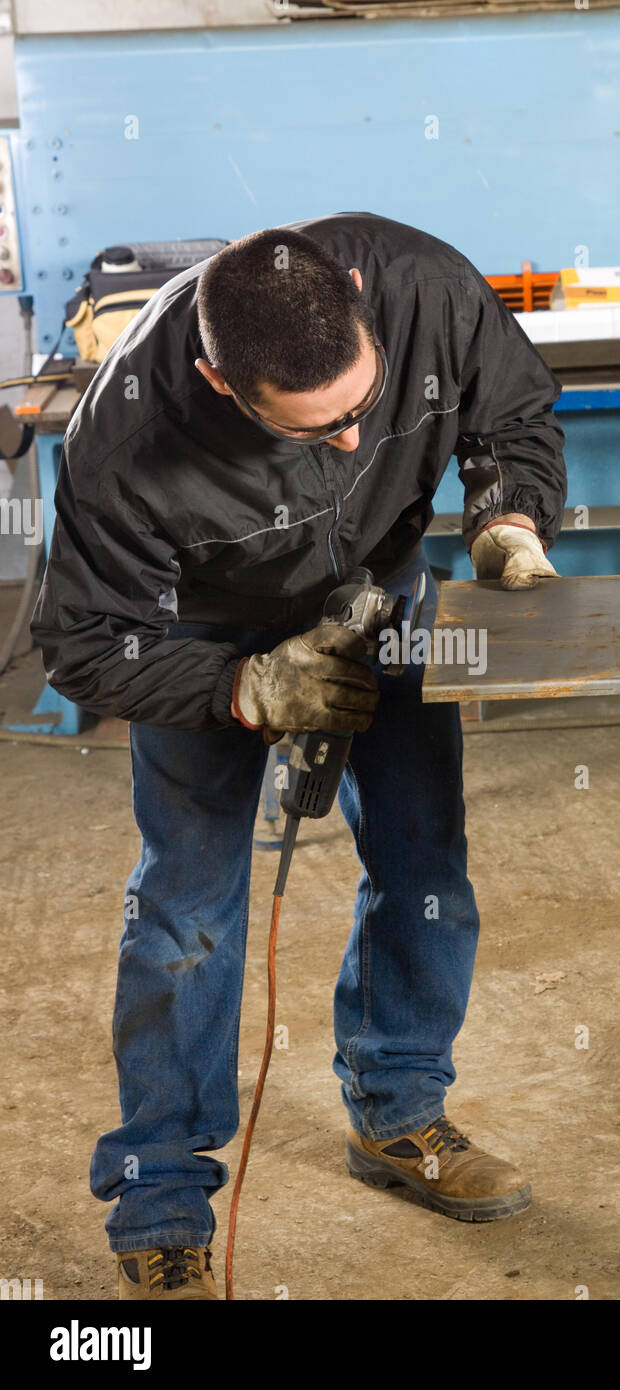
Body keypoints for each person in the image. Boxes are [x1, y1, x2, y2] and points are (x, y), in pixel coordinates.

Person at [31, 212, 567, 1300]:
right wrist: (241, 687)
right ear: (219, 384)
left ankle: (399, 1116)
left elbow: (508, 415)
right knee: (186, 910)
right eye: (307, 430)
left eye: (361, 412)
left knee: (424, 869)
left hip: (385, 589)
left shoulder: (425, 285)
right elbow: (80, 642)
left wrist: (507, 520)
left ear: (362, 296)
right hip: (200, 632)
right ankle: (161, 1198)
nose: (346, 443)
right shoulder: (126, 439)